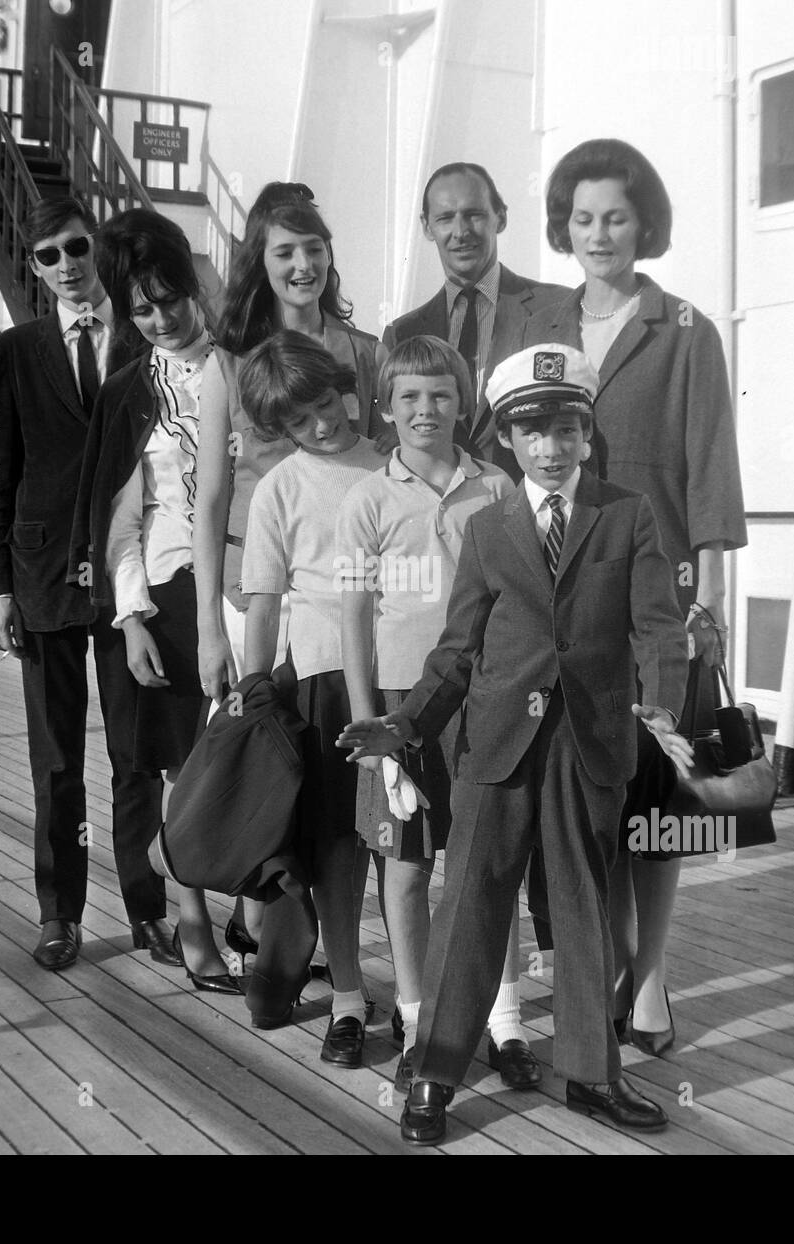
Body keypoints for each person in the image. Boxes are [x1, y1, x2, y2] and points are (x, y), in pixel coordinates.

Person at [338, 344, 694, 1145]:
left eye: (566, 428)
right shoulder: (489, 528)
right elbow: (458, 651)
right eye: (532, 432)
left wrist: (663, 707)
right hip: (495, 746)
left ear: (587, 432)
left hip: (588, 746)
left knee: (583, 910)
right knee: (469, 906)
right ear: (505, 439)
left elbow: (659, 628)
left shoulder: (627, 514)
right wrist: (405, 725)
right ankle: (433, 1074)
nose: (552, 447)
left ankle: (592, 1076)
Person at [523, 139, 748, 1056]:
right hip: (567, 582)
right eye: (582, 218)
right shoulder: (543, 320)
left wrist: (710, 601)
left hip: (661, 592)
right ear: (564, 226)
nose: (599, 233)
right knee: (592, 789)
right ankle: (613, 957)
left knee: (658, 791)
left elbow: (712, 470)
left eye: (615, 216)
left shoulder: (686, 326)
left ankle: (649, 978)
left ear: (642, 221)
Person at [194, 188, 386, 960]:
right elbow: (209, 497)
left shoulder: (364, 353)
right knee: (264, 772)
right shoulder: (230, 361)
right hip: (256, 594)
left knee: (333, 787)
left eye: (314, 247)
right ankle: (271, 926)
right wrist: (212, 625)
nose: (303, 264)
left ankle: (301, 942)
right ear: (261, 264)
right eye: (284, 252)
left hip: (347, 604)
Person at [0, 195, 166, 973]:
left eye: (75, 247)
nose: (65, 265)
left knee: (134, 754)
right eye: (47, 255)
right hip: (43, 573)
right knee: (55, 761)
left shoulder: (144, 339)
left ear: (97, 247)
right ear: (34, 267)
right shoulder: (15, 353)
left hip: (128, 575)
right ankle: (60, 914)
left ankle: (149, 908)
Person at [337, 335, 518, 1090]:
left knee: (486, 865)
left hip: (483, 701)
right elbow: (352, 615)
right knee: (406, 867)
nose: (425, 409)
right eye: (408, 396)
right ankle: (415, 1014)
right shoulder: (368, 498)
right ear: (385, 407)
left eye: (440, 395)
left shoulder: (498, 488)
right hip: (397, 710)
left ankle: (502, 1020)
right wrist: (368, 730)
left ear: (464, 402)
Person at [71, 207, 240, 993]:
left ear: (192, 288)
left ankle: (270, 925)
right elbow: (121, 520)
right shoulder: (126, 393)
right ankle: (194, 926)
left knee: (257, 758)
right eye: (142, 307)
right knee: (181, 770)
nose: (162, 317)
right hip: (168, 598)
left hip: (250, 592)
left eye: (171, 297)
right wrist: (130, 617)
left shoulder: (245, 370)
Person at [238, 332, 384, 1055]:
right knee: (338, 848)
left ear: (342, 386)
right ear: (280, 430)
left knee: (406, 849)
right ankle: (350, 996)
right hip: (326, 676)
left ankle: (417, 993)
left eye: (326, 403)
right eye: (300, 421)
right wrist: (251, 688)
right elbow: (263, 603)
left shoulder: (395, 466)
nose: (322, 425)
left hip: (407, 674)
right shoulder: (280, 488)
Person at [383, 162, 569, 462]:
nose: (461, 232)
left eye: (474, 215)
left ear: (501, 217)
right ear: (427, 227)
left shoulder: (558, 310)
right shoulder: (402, 335)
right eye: (445, 218)